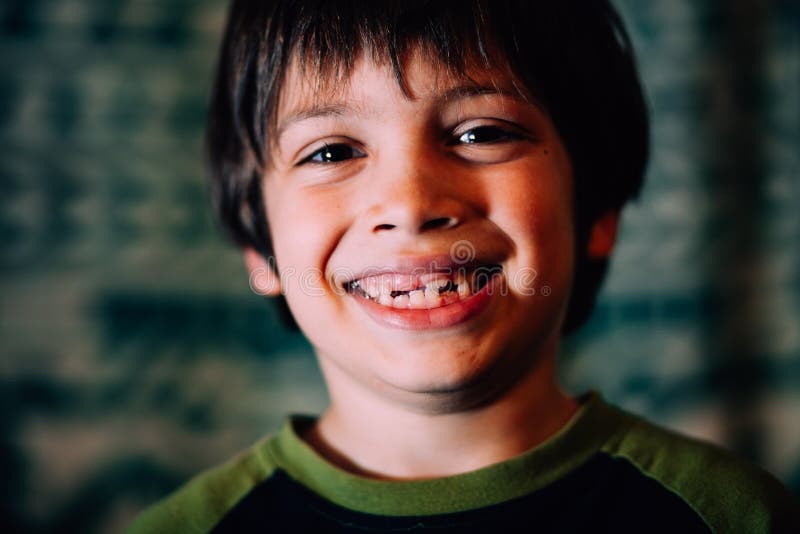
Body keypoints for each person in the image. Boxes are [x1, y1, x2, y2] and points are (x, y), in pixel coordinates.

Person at [128, 0, 798, 532]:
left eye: (481, 134)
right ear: (258, 245)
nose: (412, 206)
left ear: (597, 210)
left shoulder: (733, 517)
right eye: (331, 152)